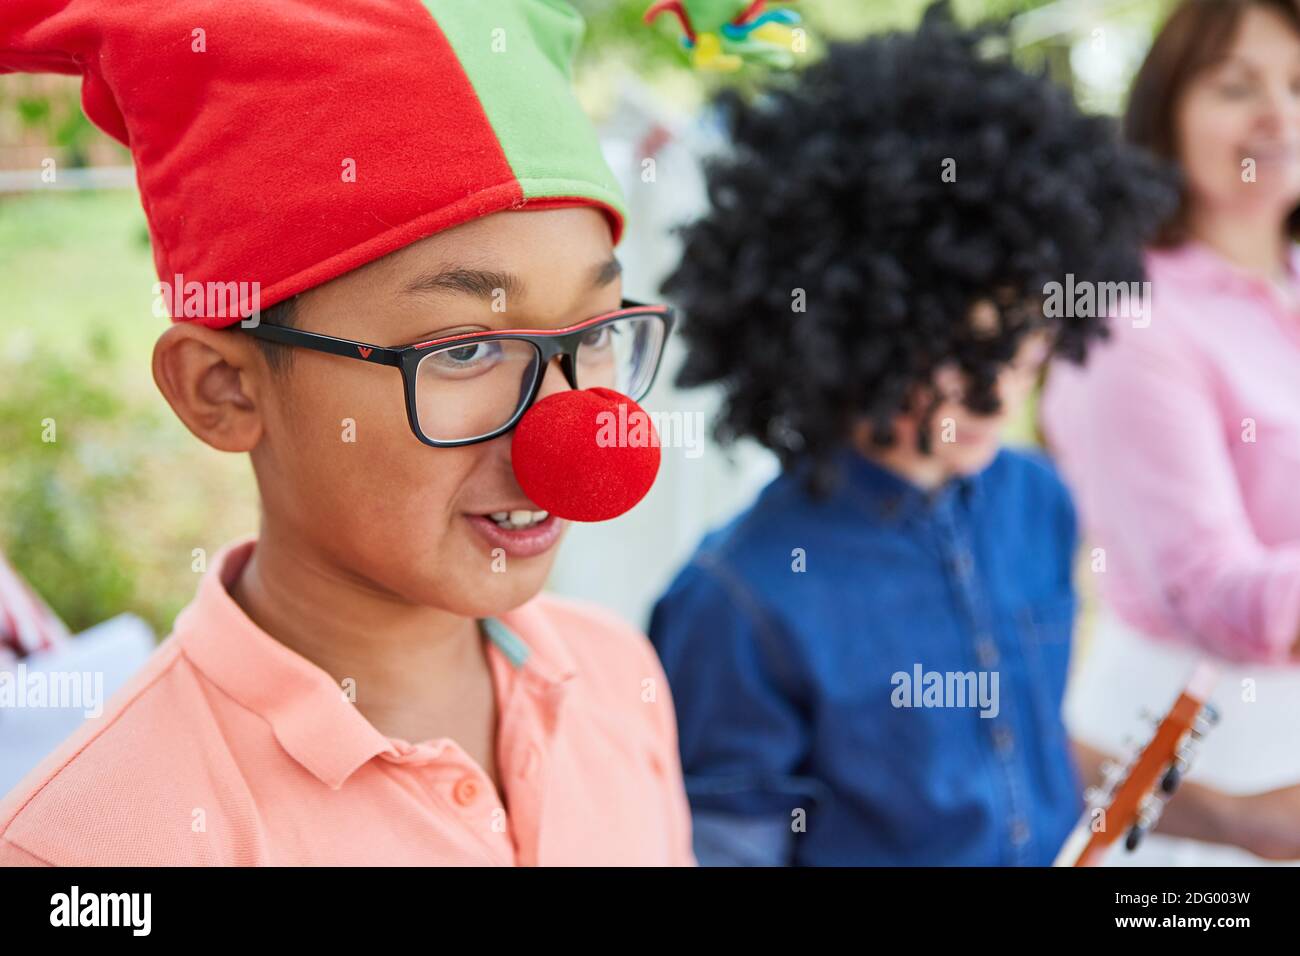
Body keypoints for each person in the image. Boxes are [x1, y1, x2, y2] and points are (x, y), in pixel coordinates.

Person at [0, 0, 693, 866]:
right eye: (467, 348)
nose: (575, 432)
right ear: (223, 389)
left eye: (593, 335)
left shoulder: (616, 677)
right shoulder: (94, 849)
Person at [648, 4, 1300, 866]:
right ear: (843, 324)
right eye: (950, 341)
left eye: (1021, 328)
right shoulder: (737, 605)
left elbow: (1017, 766)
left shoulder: (1035, 504)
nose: (995, 386)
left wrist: (1233, 819)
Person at [1042, 0, 1300, 864]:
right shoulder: (1127, 318)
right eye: (1237, 86)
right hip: (1192, 783)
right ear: (1166, 116)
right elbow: (1213, 591)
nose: (1280, 113)